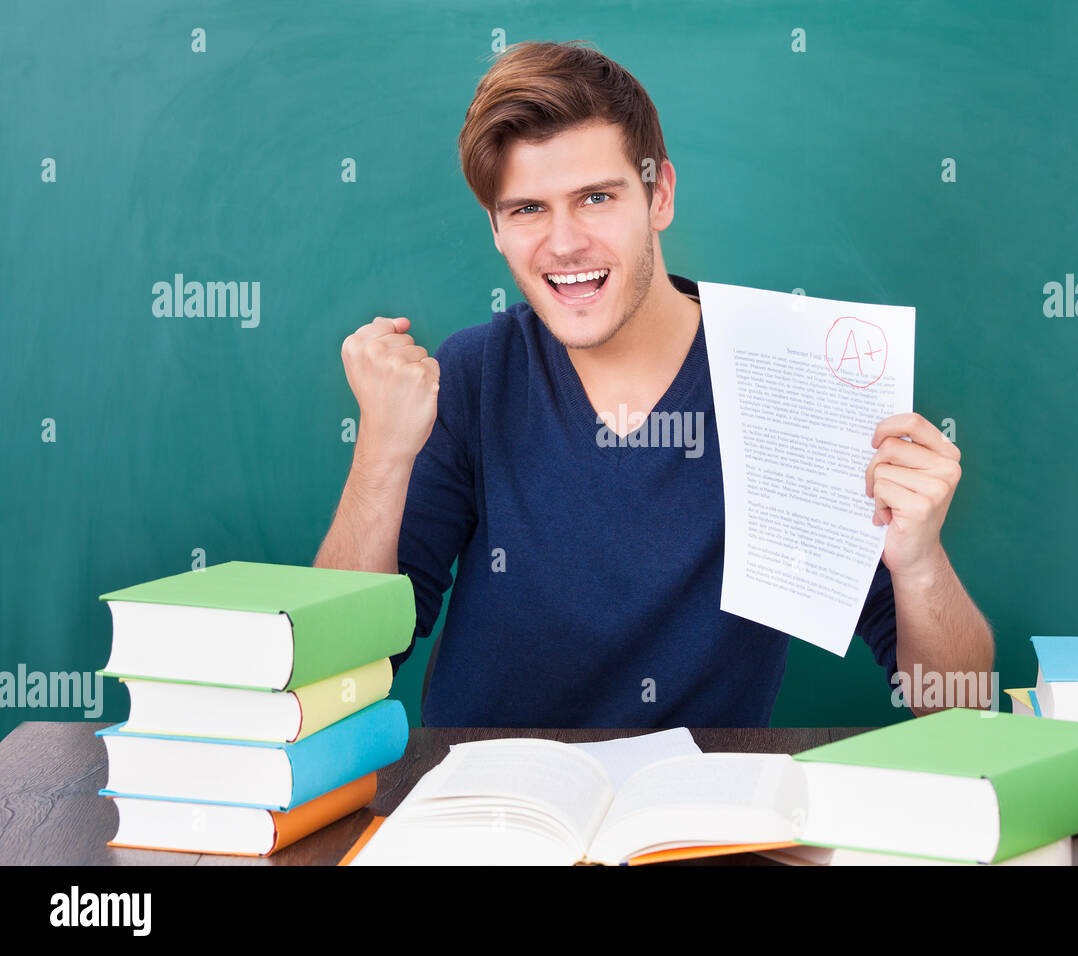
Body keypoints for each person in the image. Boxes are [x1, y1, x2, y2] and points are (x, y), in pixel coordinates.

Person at [313, 40, 993, 726]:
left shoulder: (794, 379)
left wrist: (921, 562)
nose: (564, 243)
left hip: (701, 823)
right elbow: (340, 673)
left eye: (596, 197)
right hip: (489, 814)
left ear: (659, 195)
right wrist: (378, 457)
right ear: (495, 226)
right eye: (527, 209)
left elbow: (954, 703)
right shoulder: (472, 377)